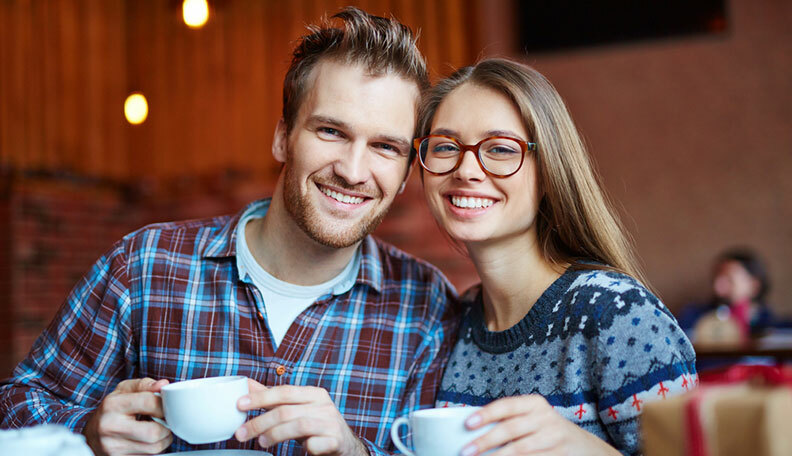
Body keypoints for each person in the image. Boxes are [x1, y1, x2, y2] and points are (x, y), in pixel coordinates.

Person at [0, 8, 460, 456]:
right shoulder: (144, 265)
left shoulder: (428, 310)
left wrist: (355, 451)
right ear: (283, 137)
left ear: (404, 175)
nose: (353, 170)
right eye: (331, 132)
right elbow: (15, 406)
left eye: (384, 146)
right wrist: (87, 431)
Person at [414, 58, 697, 455]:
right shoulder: (451, 322)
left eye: (499, 148)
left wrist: (586, 449)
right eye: (445, 146)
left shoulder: (616, 313)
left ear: (548, 172)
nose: (466, 169)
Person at [678, 247, 775, 340]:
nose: (717, 288)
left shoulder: (771, 326)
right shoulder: (693, 317)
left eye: (729, 280)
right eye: (716, 279)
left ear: (754, 286)